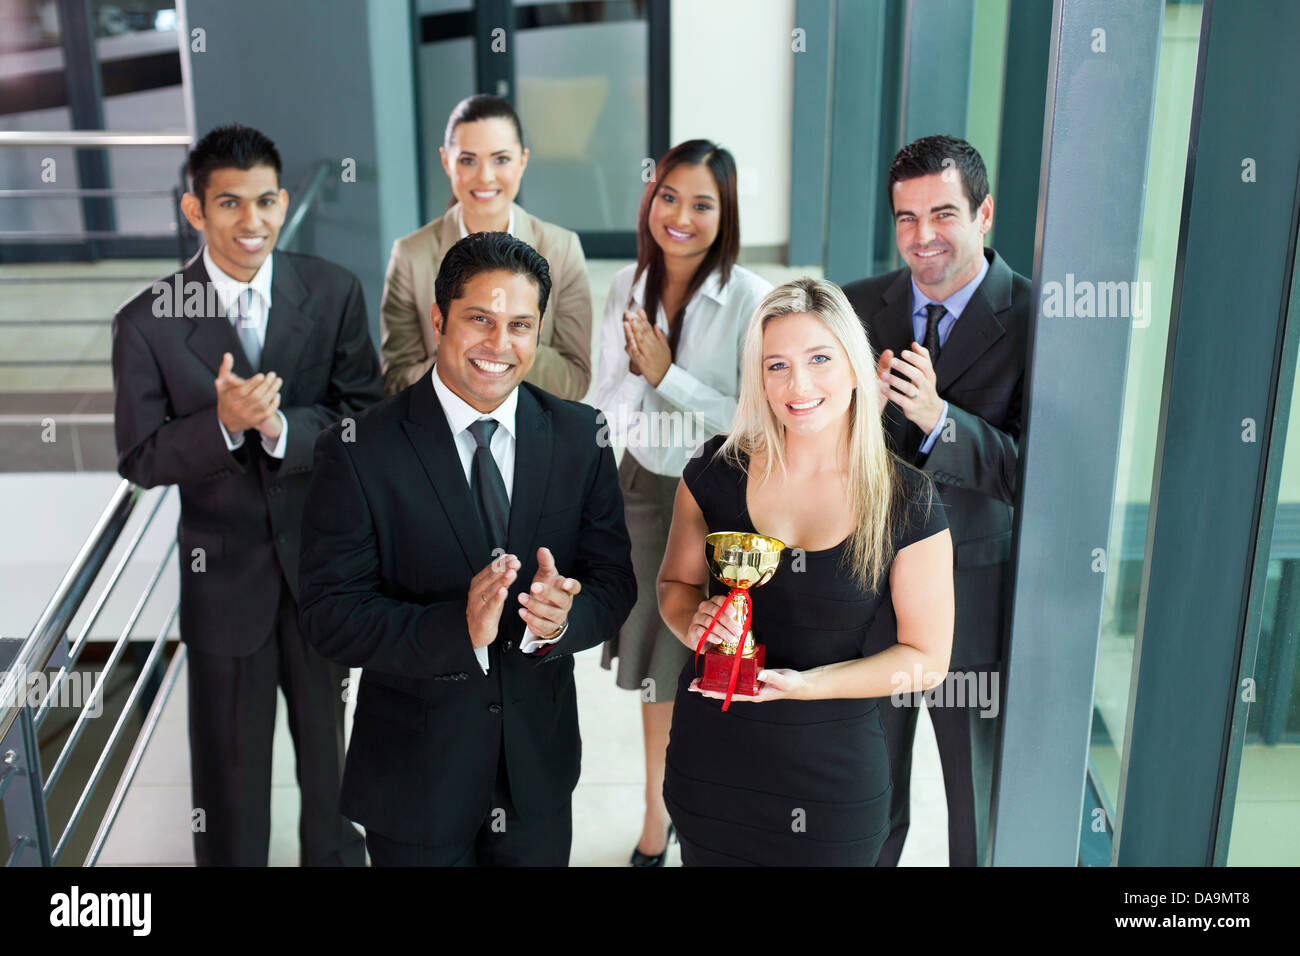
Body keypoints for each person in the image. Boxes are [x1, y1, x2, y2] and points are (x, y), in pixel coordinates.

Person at [297, 231, 636, 866]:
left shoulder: (578, 435)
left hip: (537, 770)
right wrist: (458, 626)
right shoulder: (357, 450)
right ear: (437, 320)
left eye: (519, 325)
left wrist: (565, 619)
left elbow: (614, 581)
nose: (499, 345)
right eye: (479, 319)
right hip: (414, 779)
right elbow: (329, 616)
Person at [111, 123, 383, 866]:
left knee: (334, 777)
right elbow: (138, 456)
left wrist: (280, 429)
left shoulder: (332, 291)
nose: (252, 221)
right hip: (223, 585)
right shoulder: (144, 323)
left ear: (284, 201)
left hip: (322, 573)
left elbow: (367, 418)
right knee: (229, 790)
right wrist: (222, 426)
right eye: (229, 204)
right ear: (194, 210)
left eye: (265, 201)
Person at [657, 278, 954, 866]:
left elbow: (927, 660)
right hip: (711, 763)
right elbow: (674, 587)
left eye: (819, 359)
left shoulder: (908, 499)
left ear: (855, 366)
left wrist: (809, 685)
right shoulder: (715, 470)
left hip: (832, 783)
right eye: (777, 365)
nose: (799, 385)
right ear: (758, 378)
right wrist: (694, 621)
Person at [842, 134, 1030, 867]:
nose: (923, 237)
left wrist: (939, 423)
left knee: (972, 806)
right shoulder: (857, 308)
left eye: (943, 214)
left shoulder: (1038, 316)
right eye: (907, 217)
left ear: (984, 215)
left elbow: (1034, 474)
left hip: (974, 597)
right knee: (867, 798)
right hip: (869, 590)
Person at [592, 139, 772, 866]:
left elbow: (753, 417)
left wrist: (669, 376)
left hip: (720, 493)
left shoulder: (751, 298)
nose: (681, 216)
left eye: (702, 204)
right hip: (640, 491)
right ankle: (654, 813)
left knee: (716, 659)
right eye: (669, 196)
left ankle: (719, 809)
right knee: (659, 669)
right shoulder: (625, 288)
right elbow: (604, 399)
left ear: (724, 215)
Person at [379, 94, 592, 399]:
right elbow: (396, 382)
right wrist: (475, 352)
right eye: (468, 160)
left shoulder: (563, 249)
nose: (485, 176)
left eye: (501, 159)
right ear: (445, 161)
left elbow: (574, 381)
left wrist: (505, 342)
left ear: (523, 160)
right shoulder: (410, 256)